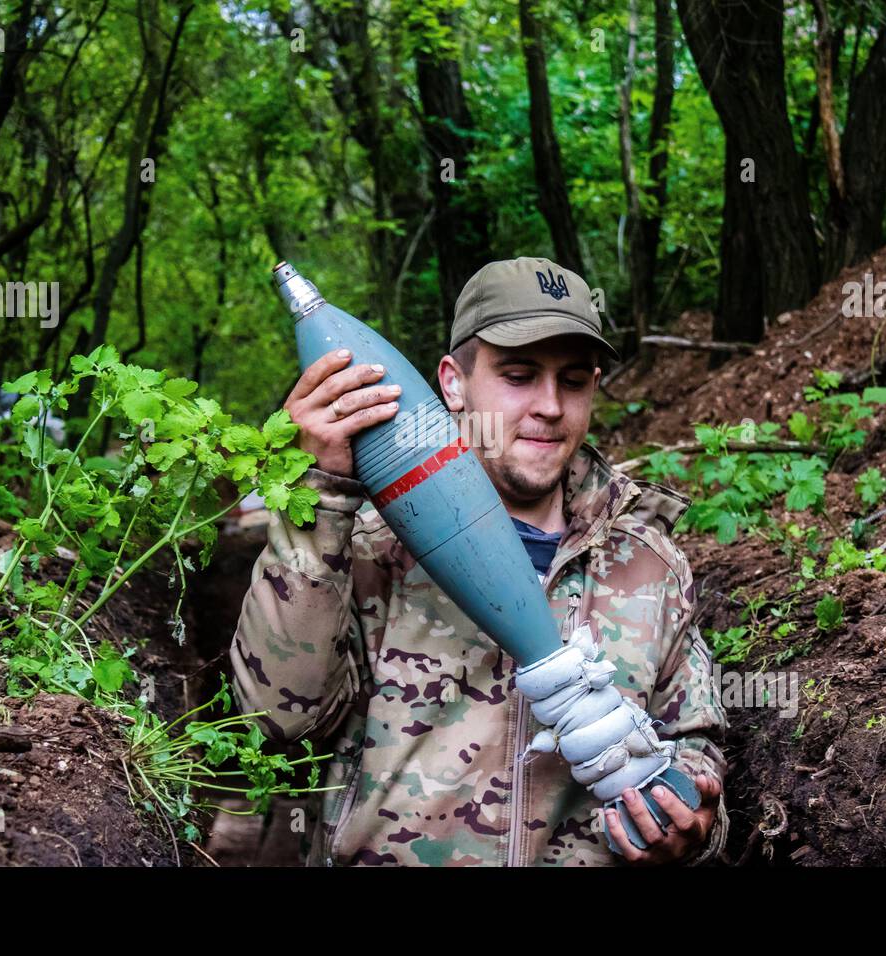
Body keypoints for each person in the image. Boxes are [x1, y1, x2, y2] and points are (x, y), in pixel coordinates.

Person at [230, 256, 729, 866]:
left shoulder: (648, 562)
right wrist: (318, 500)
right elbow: (276, 726)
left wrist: (696, 823)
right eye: (519, 375)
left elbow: (694, 749)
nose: (549, 406)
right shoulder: (365, 548)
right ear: (452, 382)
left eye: (573, 380)